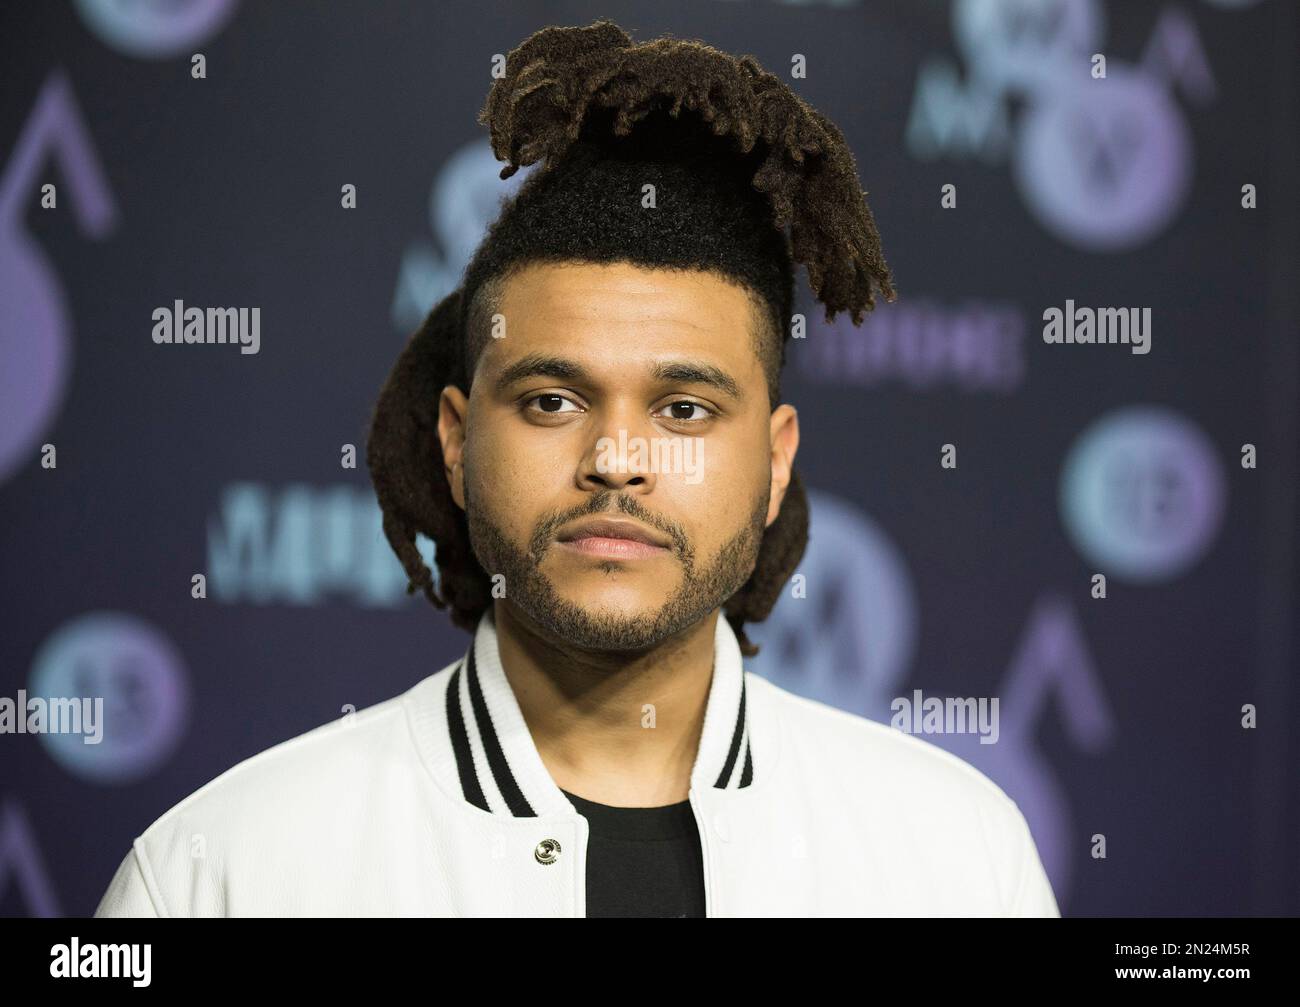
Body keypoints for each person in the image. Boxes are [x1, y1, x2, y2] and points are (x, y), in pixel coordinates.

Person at [95, 18, 1059, 918]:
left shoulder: (959, 860)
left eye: (684, 409)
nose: (616, 461)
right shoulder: (221, 872)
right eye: (552, 401)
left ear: (774, 465)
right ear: (457, 443)